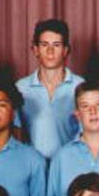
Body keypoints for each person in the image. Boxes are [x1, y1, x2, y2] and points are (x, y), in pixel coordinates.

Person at [16, 19, 82, 160]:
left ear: (65, 50)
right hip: (32, 165)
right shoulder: (21, 88)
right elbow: (16, 133)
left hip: (70, 164)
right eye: (44, 45)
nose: (50, 51)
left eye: (56, 45)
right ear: (35, 50)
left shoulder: (80, 86)